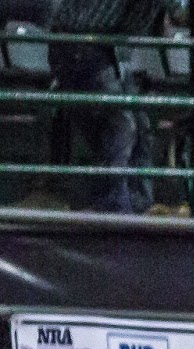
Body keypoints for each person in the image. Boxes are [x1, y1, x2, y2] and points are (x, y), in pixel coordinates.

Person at [48, 0, 163, 213]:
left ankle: (134, 205)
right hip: (80, 41)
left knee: (139, 124)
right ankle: (113, 207)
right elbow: (179, 14)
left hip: (107, 44)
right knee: (120, 122)